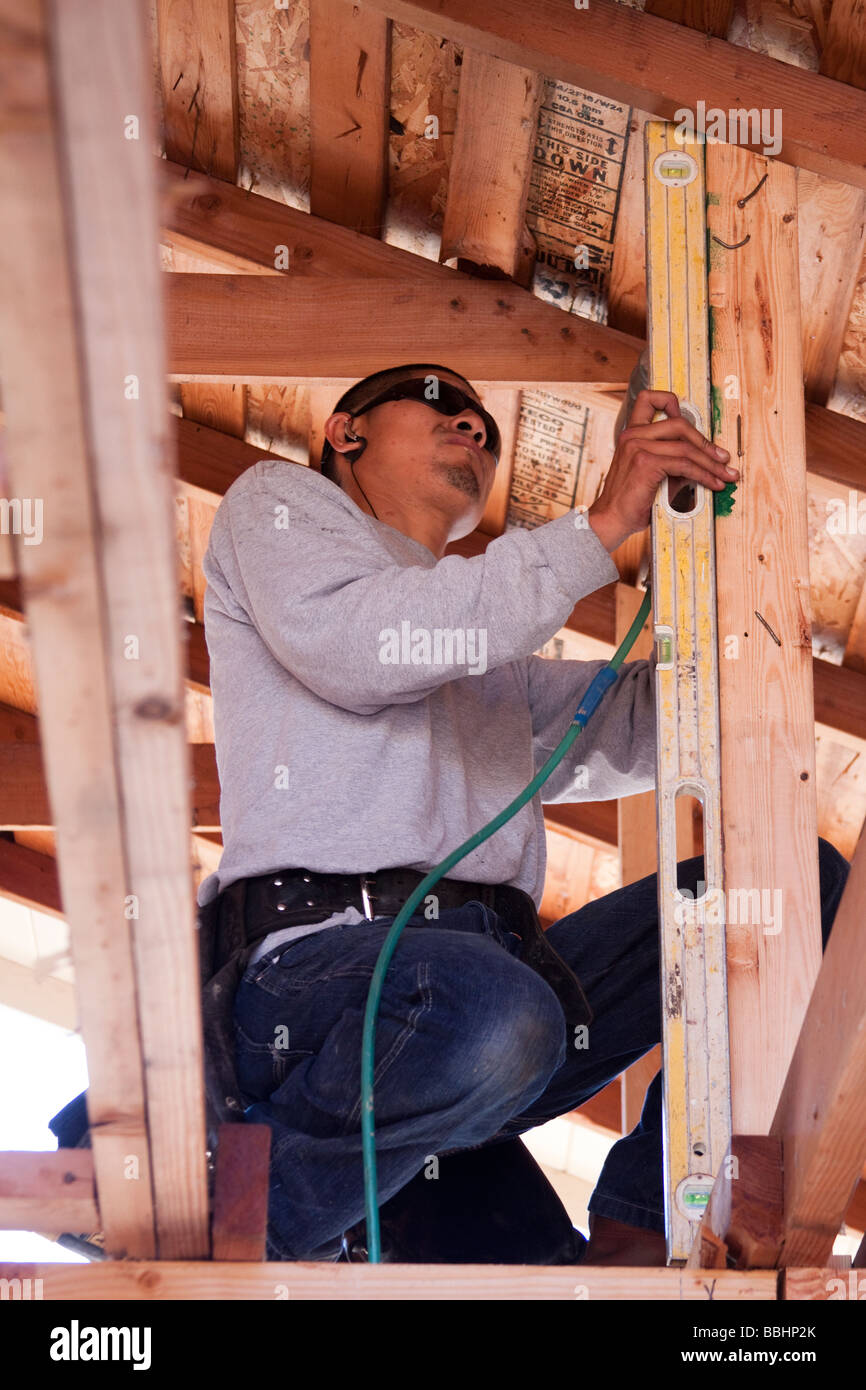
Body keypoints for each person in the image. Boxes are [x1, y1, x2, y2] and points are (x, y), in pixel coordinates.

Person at [195, 361, 848, 1264]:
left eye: (485, 426)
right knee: (495, 1015)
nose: (473, 426)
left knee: (793, 884)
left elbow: (641, 723)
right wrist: (600, 527)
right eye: (439, 403)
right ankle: (243, 1223)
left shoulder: (485, 662)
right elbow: (364, 645)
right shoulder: (279, 508)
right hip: (325, 987)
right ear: (346, 432)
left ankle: (643, 1217)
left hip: (494, 1003)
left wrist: (720, 599)